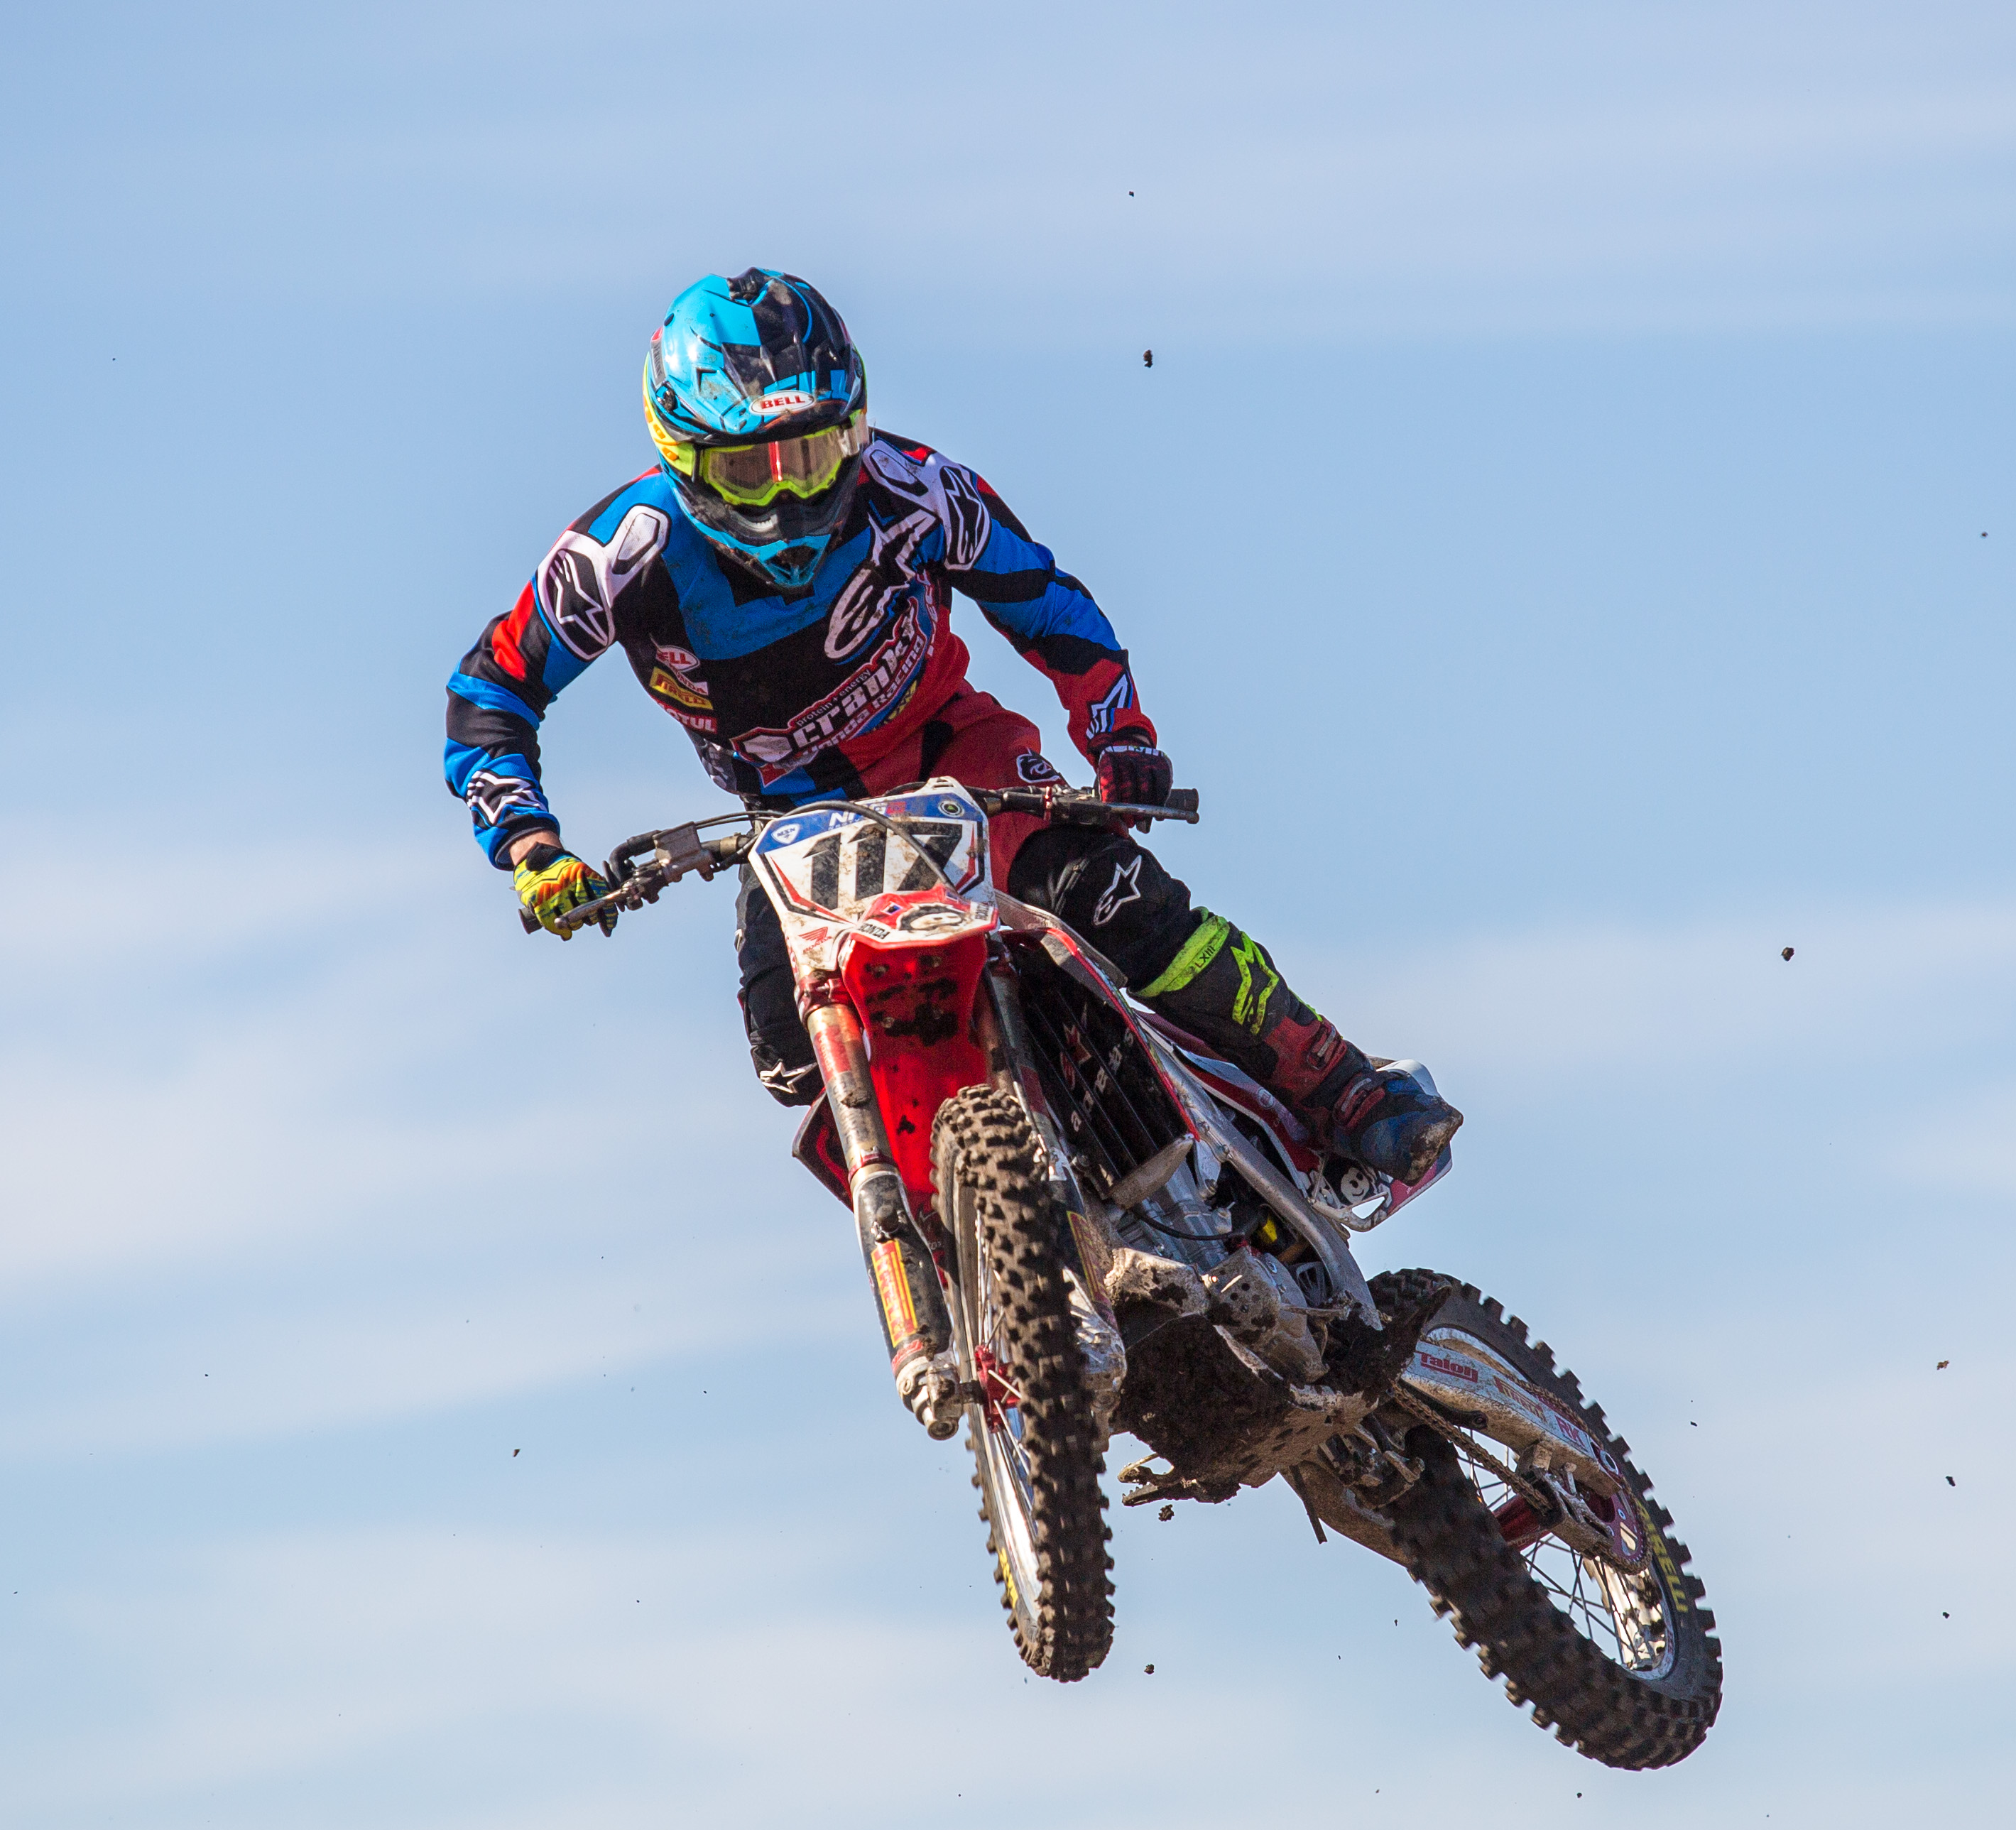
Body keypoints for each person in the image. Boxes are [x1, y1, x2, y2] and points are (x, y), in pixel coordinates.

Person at [443, 267, 1463, 1275]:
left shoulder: (914, 488)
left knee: (1111, 898)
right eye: (759, 469)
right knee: (791, 1056)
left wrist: (1121, 742)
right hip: (793, 828)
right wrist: (531, 848)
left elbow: (1045, 601)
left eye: (818, 450)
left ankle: (1350, 1095)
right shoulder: (618, 554)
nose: (797, 489)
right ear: (685, 457)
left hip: (953, 763)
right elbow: (490, 693)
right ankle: (981, 1257)